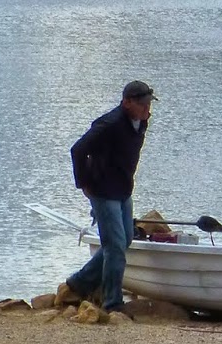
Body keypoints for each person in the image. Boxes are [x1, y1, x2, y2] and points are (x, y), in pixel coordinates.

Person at [59, 79, 157, 315]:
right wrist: (83, 184)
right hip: (102, 191)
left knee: (124, 240)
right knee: (114, 246)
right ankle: (113, 303)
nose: (147, 110)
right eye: (142, 104)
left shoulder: (140, 122)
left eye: (149, 104)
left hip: (123, 189)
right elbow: (78, 149)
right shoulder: (110, 124)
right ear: (127, 102)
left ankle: (80, 283)